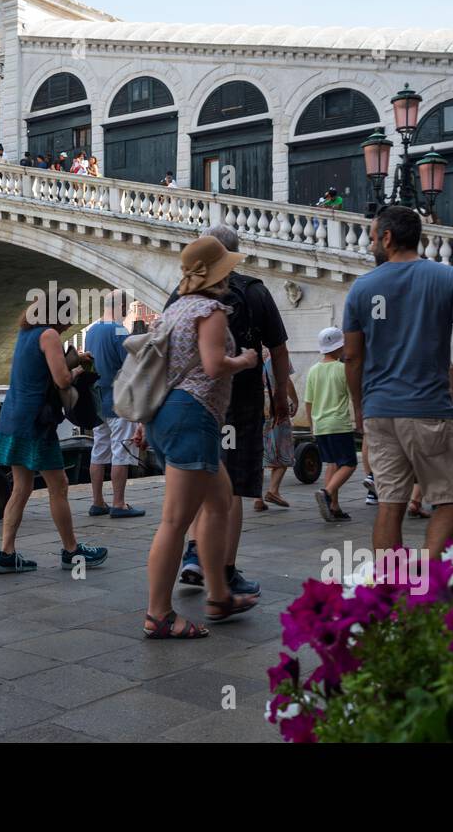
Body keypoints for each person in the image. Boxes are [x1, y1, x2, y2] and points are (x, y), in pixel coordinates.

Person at [343, 206, 453, 560]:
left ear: (387, 238)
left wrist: (359, 408)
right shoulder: (448, 279)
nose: (370, 245)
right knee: (452, 498)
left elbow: (353, 358)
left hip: (380, 413)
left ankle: (391, 590)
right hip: (430, 409)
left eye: (372, 238)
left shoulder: (361, 288)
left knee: (390, 504)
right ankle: (427, 578)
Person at [137, 236, 260, 638]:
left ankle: (219, 594)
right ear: (218, 272)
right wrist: (244, 359)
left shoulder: (175, 310)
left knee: (220, 500)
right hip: (194, 414)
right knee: (175, 520)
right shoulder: (211, 310)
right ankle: (159, 614)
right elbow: (212, 365)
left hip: (167, 413)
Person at [171, 225, 290, 597]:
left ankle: (193, 554)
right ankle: (225, 567)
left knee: (198, 477)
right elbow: (279, 349)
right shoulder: (254, 292)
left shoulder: (181, 292)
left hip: (191, 402)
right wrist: (282, 395)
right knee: (233, 486)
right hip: (240, 402)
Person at [0, 306, 108, 574]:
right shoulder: (49, 335)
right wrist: (77, 372)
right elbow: (62, 380)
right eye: (69, 317)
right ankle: (71, 551)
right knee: (59, 486)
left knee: (21, 488)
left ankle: (6, 553)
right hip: (36, 423)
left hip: (14, 417)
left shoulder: (27, 333)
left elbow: (40, 370)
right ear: (57, 314)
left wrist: (74, 359)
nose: (71, 323)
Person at [85, 290, 145, 519]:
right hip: (119, 400)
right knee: (121, 450)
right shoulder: (119, 330)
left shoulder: (92, 331)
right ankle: (119, 503)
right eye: (127, 308)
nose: (127, 312)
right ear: (120, 307)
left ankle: (97, 502)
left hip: (97, 400)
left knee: (99, 450)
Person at [302, 327, 357, 521]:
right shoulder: (343, 369)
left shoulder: (313, 371)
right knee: (349, 464)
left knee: (331, 464)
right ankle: (327, 492)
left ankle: (334, 506)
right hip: (339, 424)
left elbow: (308, 402)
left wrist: (311, 426)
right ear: (339, 347)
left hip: (320, 425)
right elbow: (353, 395)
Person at [256, 345, 298, 511]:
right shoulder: (278, 351)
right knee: (283, 447)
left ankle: (257, 498)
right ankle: (273, 490)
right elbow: (285, 379)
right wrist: (294, 400)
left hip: (255, 403)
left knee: (259, 450)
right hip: (275, 403)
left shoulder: (250, 349)